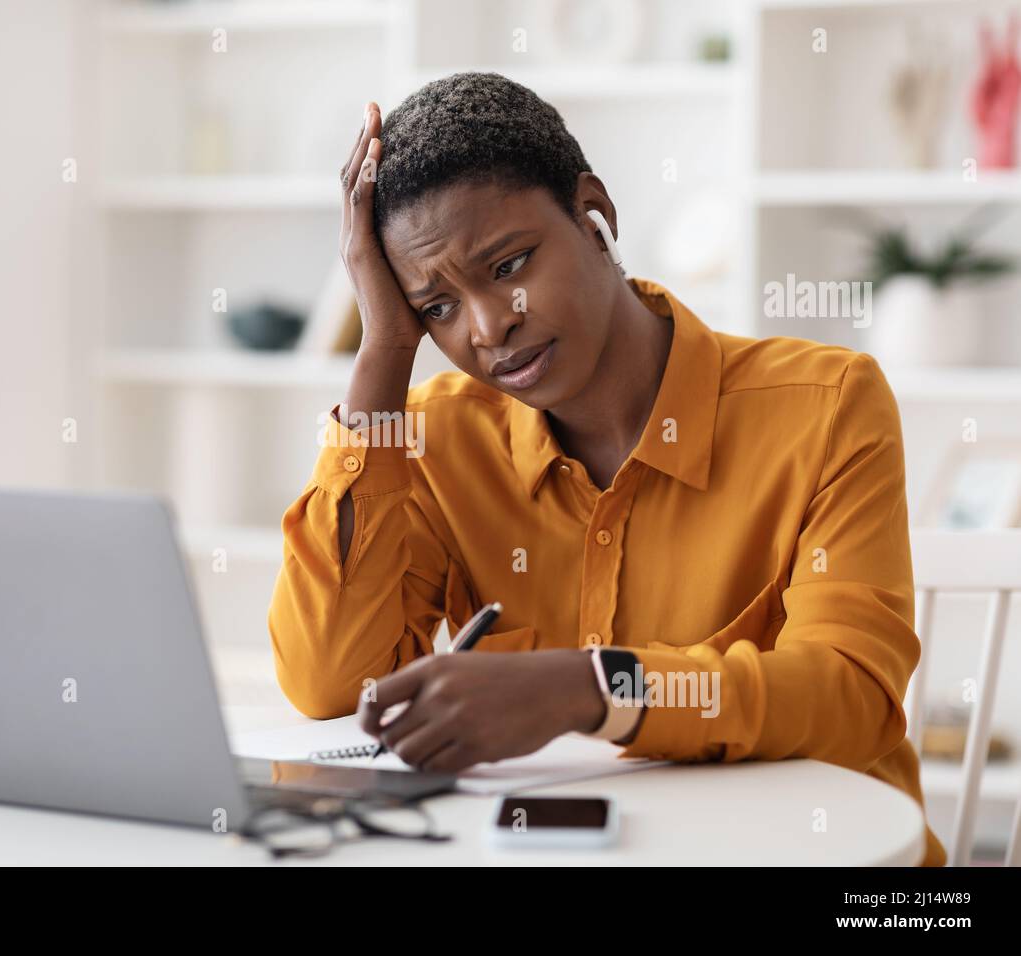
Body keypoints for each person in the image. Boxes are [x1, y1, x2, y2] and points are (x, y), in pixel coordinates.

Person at [267, 72, 945, 867]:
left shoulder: (825, 405)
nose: (489, 327)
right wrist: (384, 347)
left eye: (509, 264)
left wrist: (590, 688)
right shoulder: (434, 439)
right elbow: (330, 683)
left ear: (595, 216)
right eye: (436, 308)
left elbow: (849, 694)